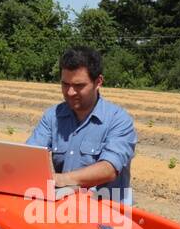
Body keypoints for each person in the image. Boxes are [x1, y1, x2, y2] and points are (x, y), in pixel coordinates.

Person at [26, 46, 137, 203]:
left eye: (79, 86)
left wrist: (63, 179)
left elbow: (109, 169)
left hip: (108, 213)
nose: (70, 92)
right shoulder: (53, 116)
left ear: (98, 82)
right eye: (65, 84)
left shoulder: (118, 120)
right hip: (66, 208)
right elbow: (30, 154)